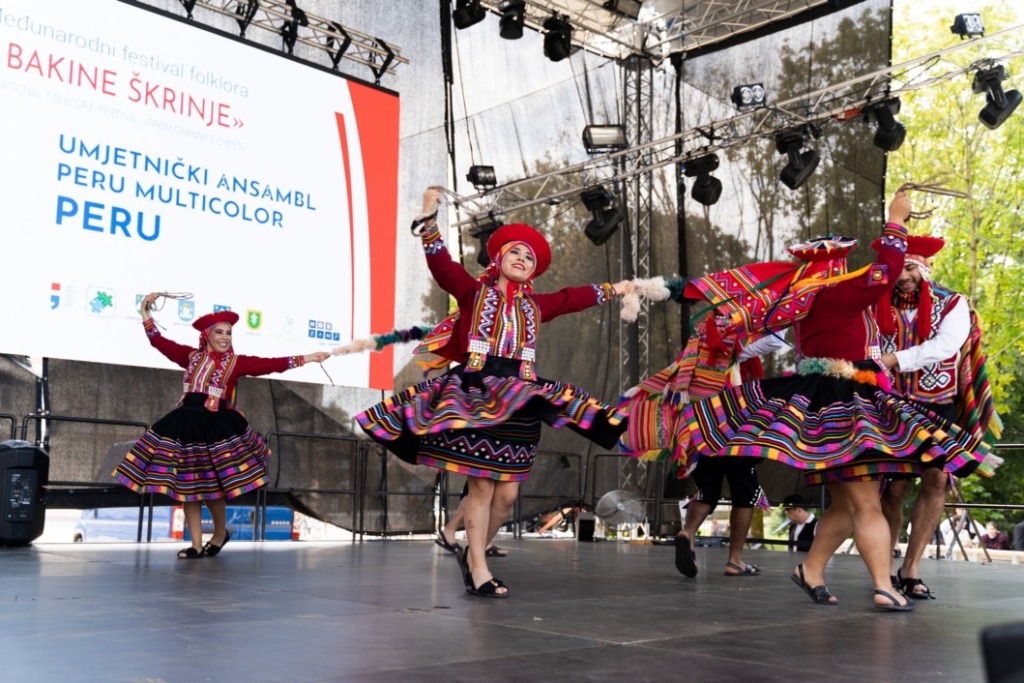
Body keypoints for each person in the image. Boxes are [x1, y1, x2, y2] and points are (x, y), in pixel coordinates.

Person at [680, 191, 989, 611]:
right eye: (842, 263)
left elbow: (764, 340)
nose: (848, 269)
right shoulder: (835, 295)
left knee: (847, 503)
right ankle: (884, 584)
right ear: (833, 266)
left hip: (824, 403)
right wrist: (896, 221)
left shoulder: (801, 301)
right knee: (866, 503)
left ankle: (811, 569)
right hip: (846, 404)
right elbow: (885, 270)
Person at [357, 187, 630, 599]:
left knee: (508, 494)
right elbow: (442, 265)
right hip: (476, 394)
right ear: (499, 259)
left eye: (529, 258)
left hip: (520, 402)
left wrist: (618, 289)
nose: (521, 259)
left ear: (533, 271)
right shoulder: (473, 293)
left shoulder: (537, 306)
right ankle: (479, 569)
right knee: (482, 487)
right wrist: (428, 218)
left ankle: (474, 553)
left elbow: (574, 298)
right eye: (515, 252)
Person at [114, 293, 330, 559]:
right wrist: (145, 312)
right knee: (188, 489)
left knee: (213, 491)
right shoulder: (190, 357)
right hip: (185, 426)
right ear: (207, 335)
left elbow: (271, 364)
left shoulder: (236, 363)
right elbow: (158, 342)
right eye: (220, 332)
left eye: (229, 333)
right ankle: (195, 545)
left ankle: (219, 534)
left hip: (214, 428)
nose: (226, 337)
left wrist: (309, 357)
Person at [877, 234, 1001, 600]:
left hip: (937, 404)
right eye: (898, 270)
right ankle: (883, 567)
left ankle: (911, 569)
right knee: (893, 487)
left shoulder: (952, 303)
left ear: (924, 269)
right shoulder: (876, 303)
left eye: (910, 268)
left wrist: (894, 359)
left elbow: (946, 347)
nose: (904, 277)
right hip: (892, 405)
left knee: (936, 480)